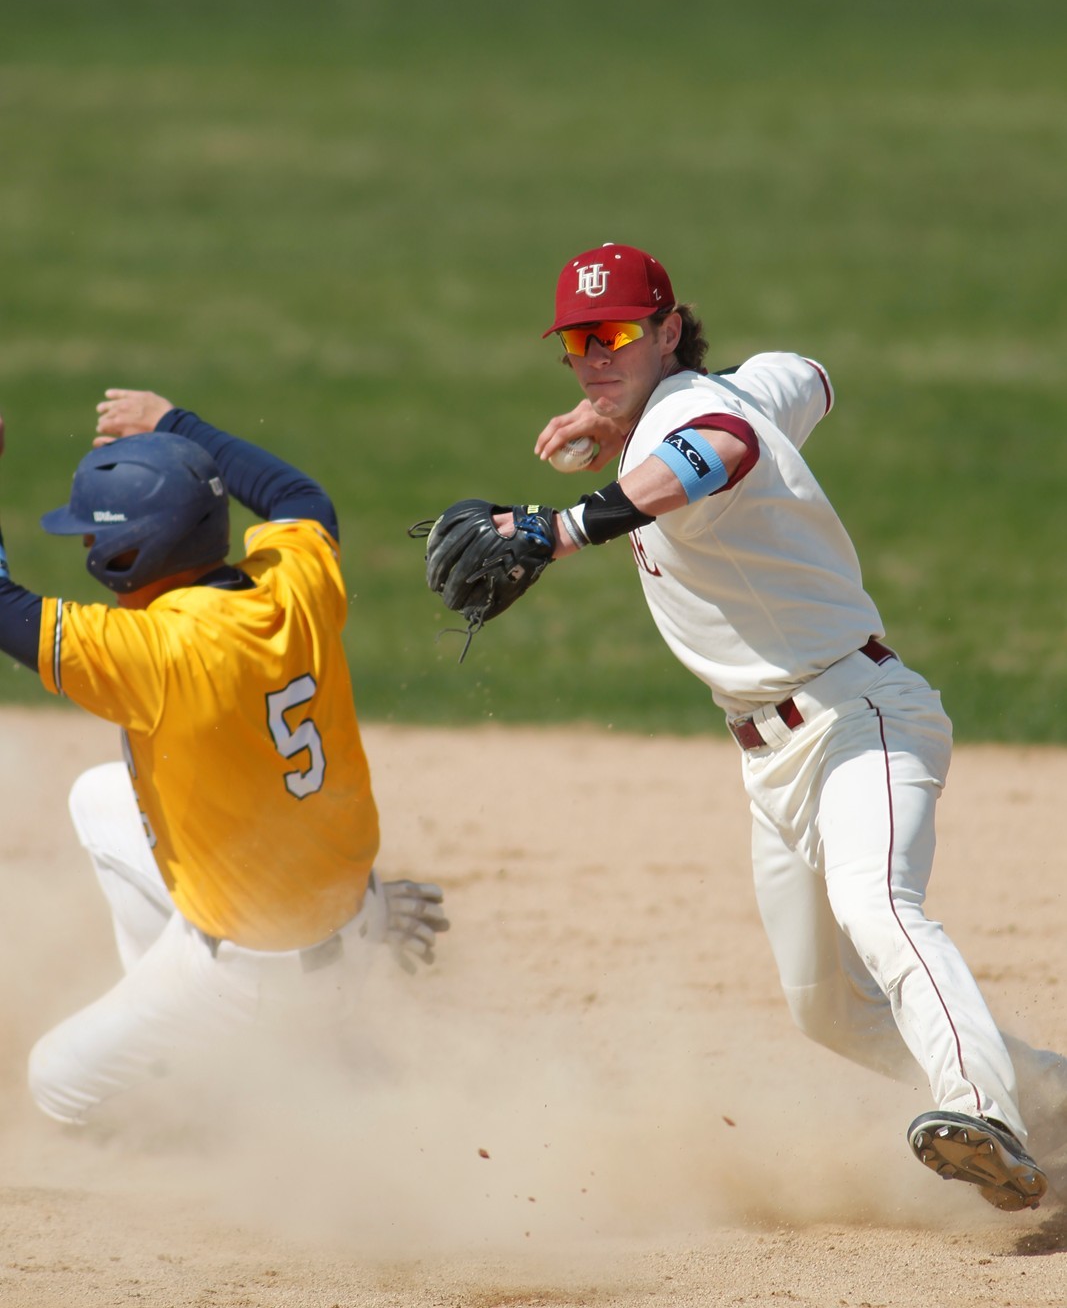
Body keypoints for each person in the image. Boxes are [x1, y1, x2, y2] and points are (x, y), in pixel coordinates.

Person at [439, 243, 1067, 1212]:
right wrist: (621, 420)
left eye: (613, 335)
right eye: (576, 342)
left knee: (878, 906)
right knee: (825, 1009)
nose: (593, 355)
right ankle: (1050, 1098)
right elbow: (808, 378)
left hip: (860, 720)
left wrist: (551, 528)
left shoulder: (698, 419)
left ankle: (983, 1112)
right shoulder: (725, 393)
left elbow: (720, 447)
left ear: (666, 328)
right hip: (773, 762)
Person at [0, 390, 448, 1126]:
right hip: (341, 904)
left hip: (256, 973)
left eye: (90, 538)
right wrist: (177, 425)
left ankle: (250, 1092)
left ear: (125, 553)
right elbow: (299, 496)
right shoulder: (292, 583)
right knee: (100, 796)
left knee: (56, 1085)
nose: (84, 550)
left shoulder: (150, 652)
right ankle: (342, 949)